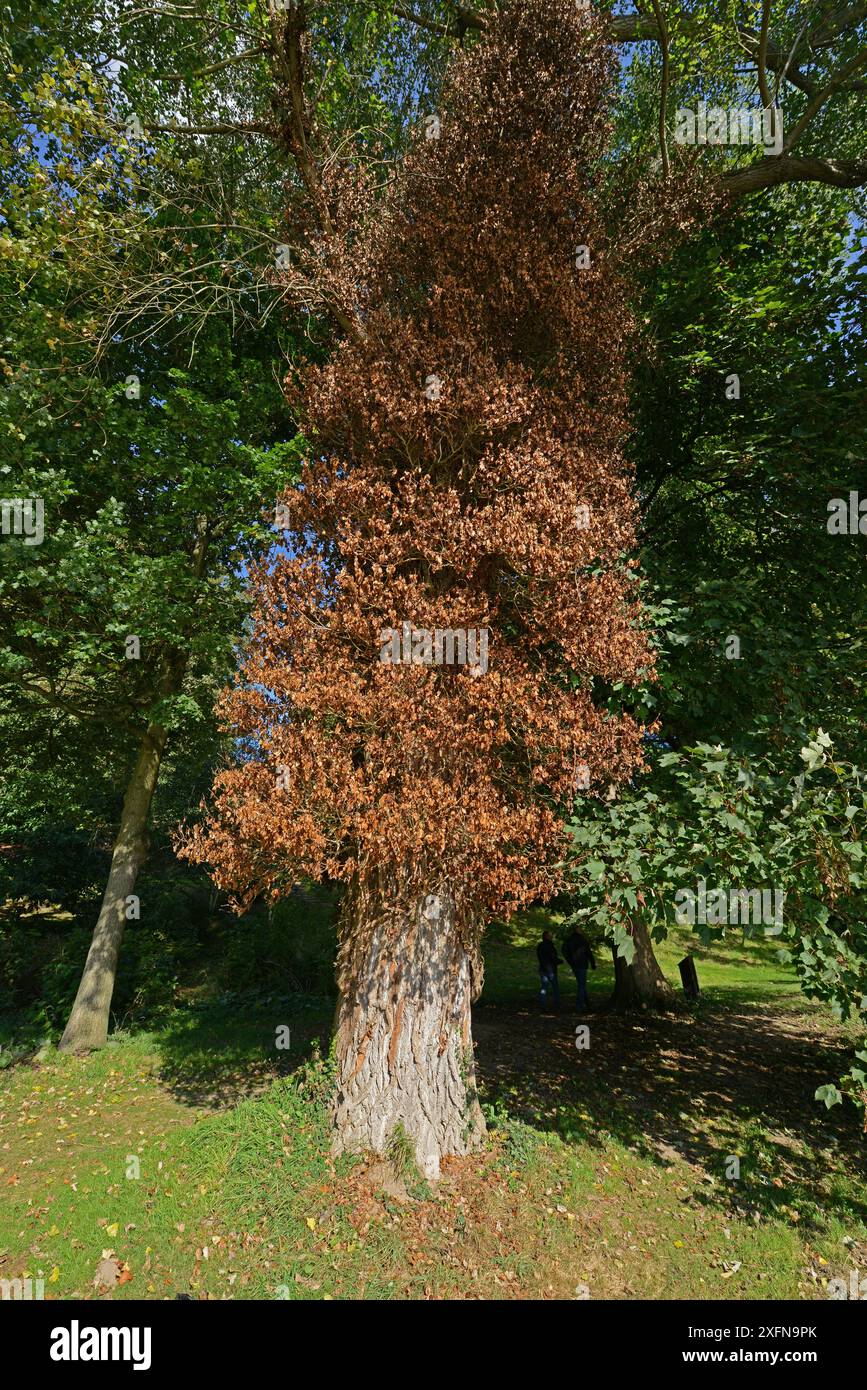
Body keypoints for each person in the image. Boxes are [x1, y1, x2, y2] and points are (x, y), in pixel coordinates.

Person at [562, 927, 596, 1012]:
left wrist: (570, 961)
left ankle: (587, 1004)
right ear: (579, 931)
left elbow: (564, 951)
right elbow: (589, 952)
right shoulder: (583, 940)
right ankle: (579, 1006)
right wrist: (593, 963)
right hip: (582, 965)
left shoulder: (569, 940)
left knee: (581, 985)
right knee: (581, 986)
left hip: (575, 965)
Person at [537, 930, 562, 1010]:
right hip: (551, 969)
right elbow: (553, 957)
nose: (551, 936)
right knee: (555, 988)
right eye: (550, 935)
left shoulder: (540, 946)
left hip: (543, 968)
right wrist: (559, 961)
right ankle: (557, 1005)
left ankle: (543, 1005)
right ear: (547, 936)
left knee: (544, 987)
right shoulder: (550, 946)